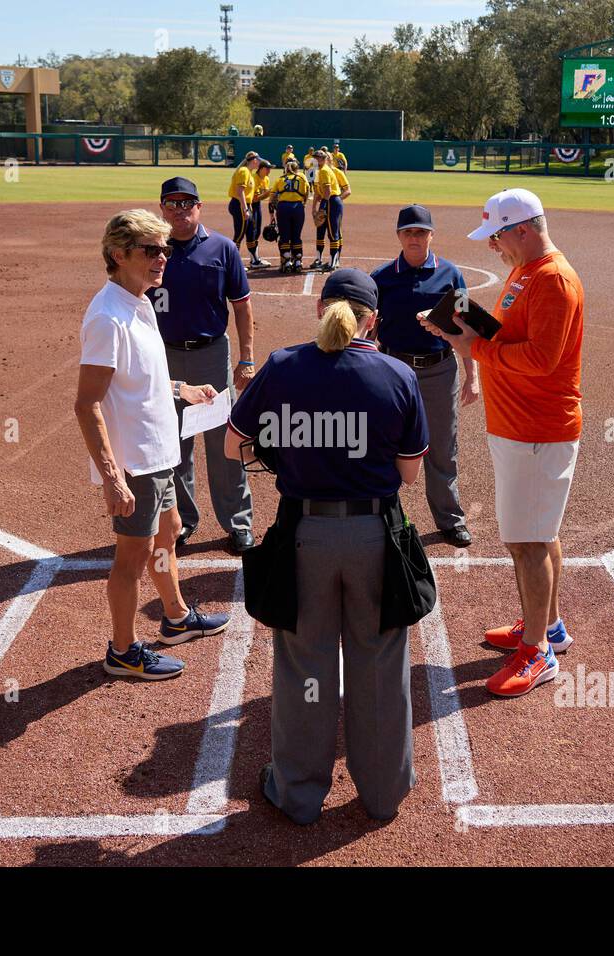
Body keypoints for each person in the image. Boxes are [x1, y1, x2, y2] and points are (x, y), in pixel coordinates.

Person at [225, 268, 429, 824]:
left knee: (305, 666)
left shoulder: (284, 365)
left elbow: (231, 444)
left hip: (304, 537)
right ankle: (383, 794)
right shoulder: (396, 374)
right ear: (373, 319)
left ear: (322, 310)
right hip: (376, 536)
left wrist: (295, 446)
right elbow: (410, 475)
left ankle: (299, 795)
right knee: (380, 666)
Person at [419, 188, 584, 698]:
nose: (493, 247)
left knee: (527, 542)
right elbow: (516, 334)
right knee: (539, 532)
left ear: (522, 229)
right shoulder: (527, 272)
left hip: (536, 429)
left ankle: (538, 653)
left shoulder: (553, 279)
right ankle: (546, 625)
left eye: (496, 237)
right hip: (519, 427)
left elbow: (542, 360)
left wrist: (473, 346)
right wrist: (466, 324)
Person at [75, 209, 231, 681]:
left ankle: (177, 618)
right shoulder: (107, 317)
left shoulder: (138, 302)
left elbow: (140, 379)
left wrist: (182, 389)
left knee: (170, 533)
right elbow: (87, 404)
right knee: (132, 558)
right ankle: (122, 651)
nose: (163, 257)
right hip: (136, 462)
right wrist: (112, 477)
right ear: (119, 255)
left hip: (160, 450)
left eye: (165, 249)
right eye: (151, 250)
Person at [157, 176, 257, 554]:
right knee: (175, 444)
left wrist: (246, 358)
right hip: (165, 356)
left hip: (211, 353)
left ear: (199, 207)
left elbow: (242, 305)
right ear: (162, 208)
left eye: (187, 203)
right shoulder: (153, 250)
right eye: (173, 203)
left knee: (222, 442)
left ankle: (237, 522)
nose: (180, 210)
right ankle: (183, 521)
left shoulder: (222, 248)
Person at [371, 204, 478, 548]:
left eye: (420, 231)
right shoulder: (382, 278)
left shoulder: (450, 274)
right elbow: (370, 330)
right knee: (385, 444)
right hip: (394, 371)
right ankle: (386, 518)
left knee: (443, 447)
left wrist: (472, 375)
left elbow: (466, 327)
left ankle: (450, 519)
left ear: (431, 234)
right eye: (408, 231)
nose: (414, 237)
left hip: (440, 369)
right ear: (399, 236)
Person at [272, 159, 310, 273]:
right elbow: (307, 191)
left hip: (283, 208)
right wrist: (304, 202)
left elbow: (273, 195)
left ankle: (287, 262)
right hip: (298, 208)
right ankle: (298, 262)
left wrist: (274, 207)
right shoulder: (302, 177)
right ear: (296, 168)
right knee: (296, 235)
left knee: (284, 236)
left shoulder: (280, 179)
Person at [312, 149, 344, 271]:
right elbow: (320, 193)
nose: (316, 159)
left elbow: (328, 191)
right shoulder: (320, 171)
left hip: (332, 201)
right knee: (323, 230)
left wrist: (323, 205)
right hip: (329, 201)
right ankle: (330, 261)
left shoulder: (324, 171)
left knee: (332, 232)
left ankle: (332, 263)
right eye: (315, 157)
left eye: (319, 157)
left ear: (324, 159)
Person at [227, 151, 260, 257]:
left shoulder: (249, 173)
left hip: (245, 205)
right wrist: (245, 209)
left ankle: (255, 260)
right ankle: (232, 261)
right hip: (240, 205)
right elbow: (239, 191)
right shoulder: (244, 171)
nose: (259, 162)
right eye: (258, 160)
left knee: (250, 232)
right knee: (239, 234)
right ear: (254, 160)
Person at [246, 159, 274, 269]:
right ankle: (254, 260)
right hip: (251, 206)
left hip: (258, 207)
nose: (269, 171)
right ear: (261, 169)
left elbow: (263, 197)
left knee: (257, 232)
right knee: (252, 233)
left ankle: (256, 258)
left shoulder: (266, 179)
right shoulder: (254, 178)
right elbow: (255, 199)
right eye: (268, 169)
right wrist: (269, 192)